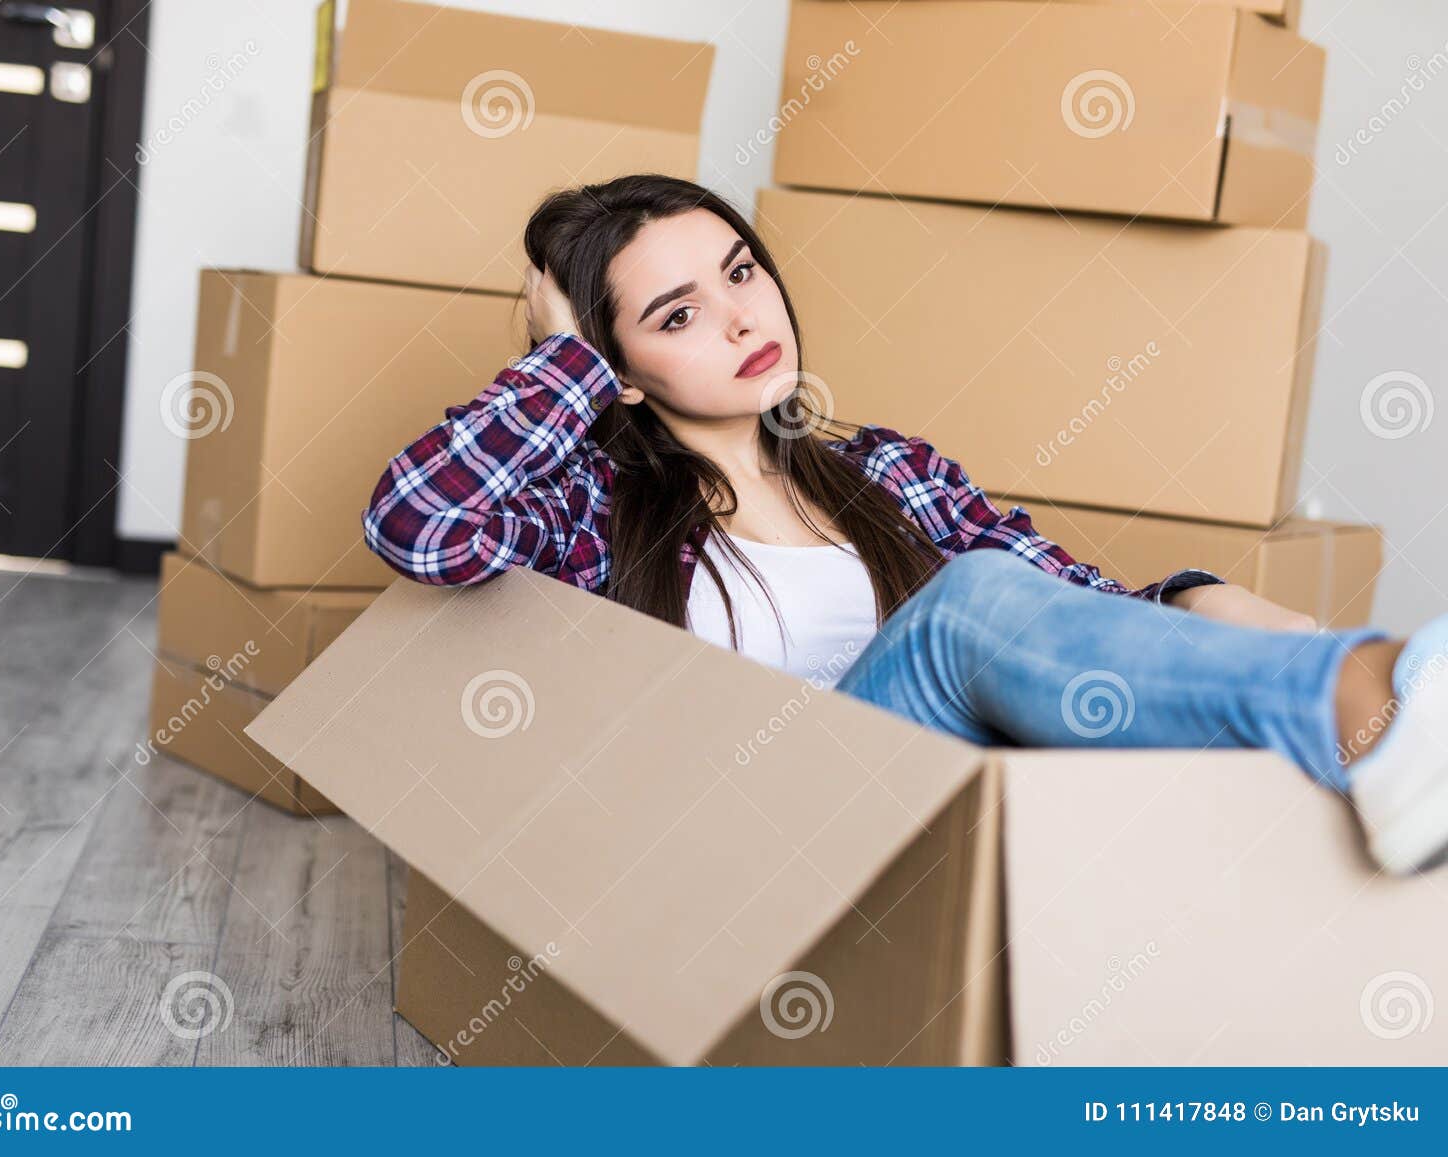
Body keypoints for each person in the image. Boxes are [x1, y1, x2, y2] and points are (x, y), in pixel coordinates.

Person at [363, 173, 1448, 876]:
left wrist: (1186, 600)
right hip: (753, 854)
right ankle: (1379, 701)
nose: (744, 313)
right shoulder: (592, 510)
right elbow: (417, 525)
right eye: (677, 314)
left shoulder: (892, 471)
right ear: (620, 369)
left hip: (956, 823)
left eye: (742, 271)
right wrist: (564, 364)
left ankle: (1382, 706)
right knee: (961, 600)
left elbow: (1067, 620)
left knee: (1172, 611)